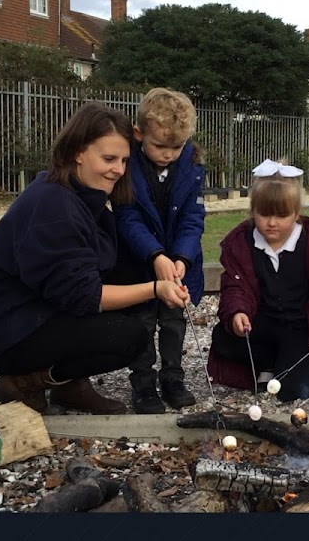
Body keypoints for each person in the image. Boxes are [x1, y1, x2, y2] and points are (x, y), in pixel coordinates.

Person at [0, 102, 190, 416]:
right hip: (5, 329)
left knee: (129, 276)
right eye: (108, 158)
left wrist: (161, 260)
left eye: (124, 160)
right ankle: (25, 381)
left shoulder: (83, 195)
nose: (118, 168)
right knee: (128, 337)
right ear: (77, 152)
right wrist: (156, 289)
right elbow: (84, 296)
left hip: (36, 311)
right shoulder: (53, 205)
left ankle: (70, 383)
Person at [206, 161, 309, 403]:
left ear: (297, 213)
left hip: (301, 328)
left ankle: (282, 366)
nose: (272, 222)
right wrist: (237, 312)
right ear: (253, 210)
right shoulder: (241, 243)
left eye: (282, 215)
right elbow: (235, 287)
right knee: (225, 339)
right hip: (261, 323)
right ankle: (266, 363)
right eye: (264, 214)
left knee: (294, 390)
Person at [111, 87, 206, 414]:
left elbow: (194, 217)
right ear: (139, 135)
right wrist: (155, 255)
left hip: (178, 264)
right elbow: (126, 217)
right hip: (139, 263)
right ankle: (142, 382)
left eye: (176, 147)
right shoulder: (127, 167)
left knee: (173, 320)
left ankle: (172, 377)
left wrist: (181, 256)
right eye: (160, 146)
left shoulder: (191, 165)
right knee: (141, 321)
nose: (168, 154)